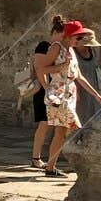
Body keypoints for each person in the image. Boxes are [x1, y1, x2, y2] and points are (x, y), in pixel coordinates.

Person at [41, 21, 101, 178]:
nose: (80, 40)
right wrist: (61, 67)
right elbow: (42, 68)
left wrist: (95, 95)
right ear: (70, 36)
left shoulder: (71, 50)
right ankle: (86, 164)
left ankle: (50, 168)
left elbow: (79, 77)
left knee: (61, 133)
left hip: (69, 96)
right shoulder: (56, 47)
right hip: (58, 96)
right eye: (79, 37)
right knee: (76, 129)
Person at [29, 15, 66, 167]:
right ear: (56, 32)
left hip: (54, 90)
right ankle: (36, 158)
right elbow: (39, 68)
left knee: (51, 125)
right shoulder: (44, 46)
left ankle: (42, 158)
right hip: (45, 90)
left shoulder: (60, 48)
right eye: (62, 36)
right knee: (44, 124)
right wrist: (47, 89)